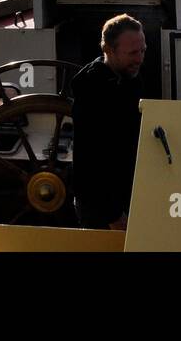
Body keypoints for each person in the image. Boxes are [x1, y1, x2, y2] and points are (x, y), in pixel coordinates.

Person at [70, 14, 146, 230]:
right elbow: (90, 161)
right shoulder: (92, 91)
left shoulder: (131, 78)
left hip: (123, 197)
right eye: (133, 53)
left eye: (143, 51)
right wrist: (112, 214)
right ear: (109, 51)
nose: (140, 59)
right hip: (102, 209)